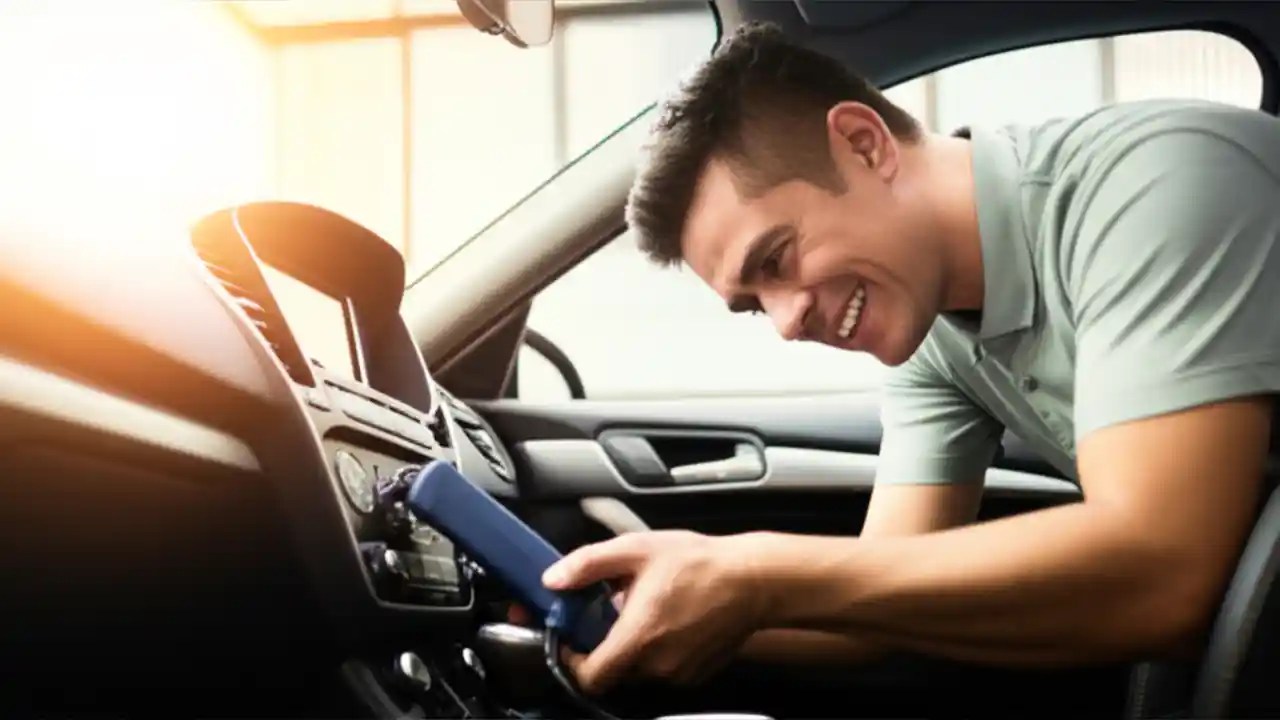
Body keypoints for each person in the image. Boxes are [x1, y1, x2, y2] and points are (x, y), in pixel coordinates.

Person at [538, 21, 1280, 695]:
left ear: (865, 144)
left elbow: (1159, 573)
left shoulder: (1159, 188)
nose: (787, 321)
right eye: (753, 303)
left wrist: (757, 573)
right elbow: (879, 597)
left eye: (777, 258)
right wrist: (643, 608)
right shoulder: (935, 340)